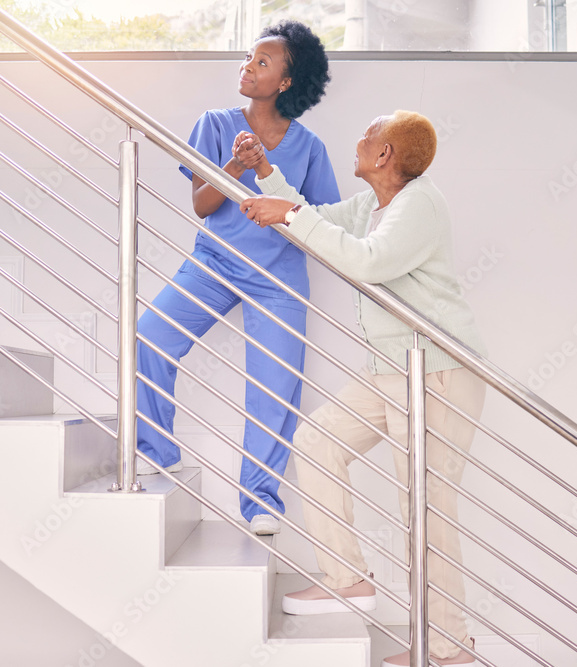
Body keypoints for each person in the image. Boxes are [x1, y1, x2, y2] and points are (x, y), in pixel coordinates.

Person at [238, 110, 486, 667]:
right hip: (393, 369)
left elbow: (368, 262)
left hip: (437, 371)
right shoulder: (371, 206)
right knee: (318, 443)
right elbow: (315, 222)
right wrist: (266, 173)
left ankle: (449, 650)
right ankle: (346, 577)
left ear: (385, 154)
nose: (359, 139)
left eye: (369, 134)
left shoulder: (419, 204)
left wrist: (288, 213)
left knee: (426, 510)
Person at [135, 20, 340, 537]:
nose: (248, 66)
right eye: (249, 57)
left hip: (279, 279)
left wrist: (272, 181)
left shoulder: (310, 146)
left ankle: (260, 501)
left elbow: (322, 223)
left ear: (286, 82)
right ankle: (154, 452)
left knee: (274, 387)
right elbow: (203, 205)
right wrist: (236, 164)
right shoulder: (215, 123)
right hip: (215, 263)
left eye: (262, 62)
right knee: (150, 336)